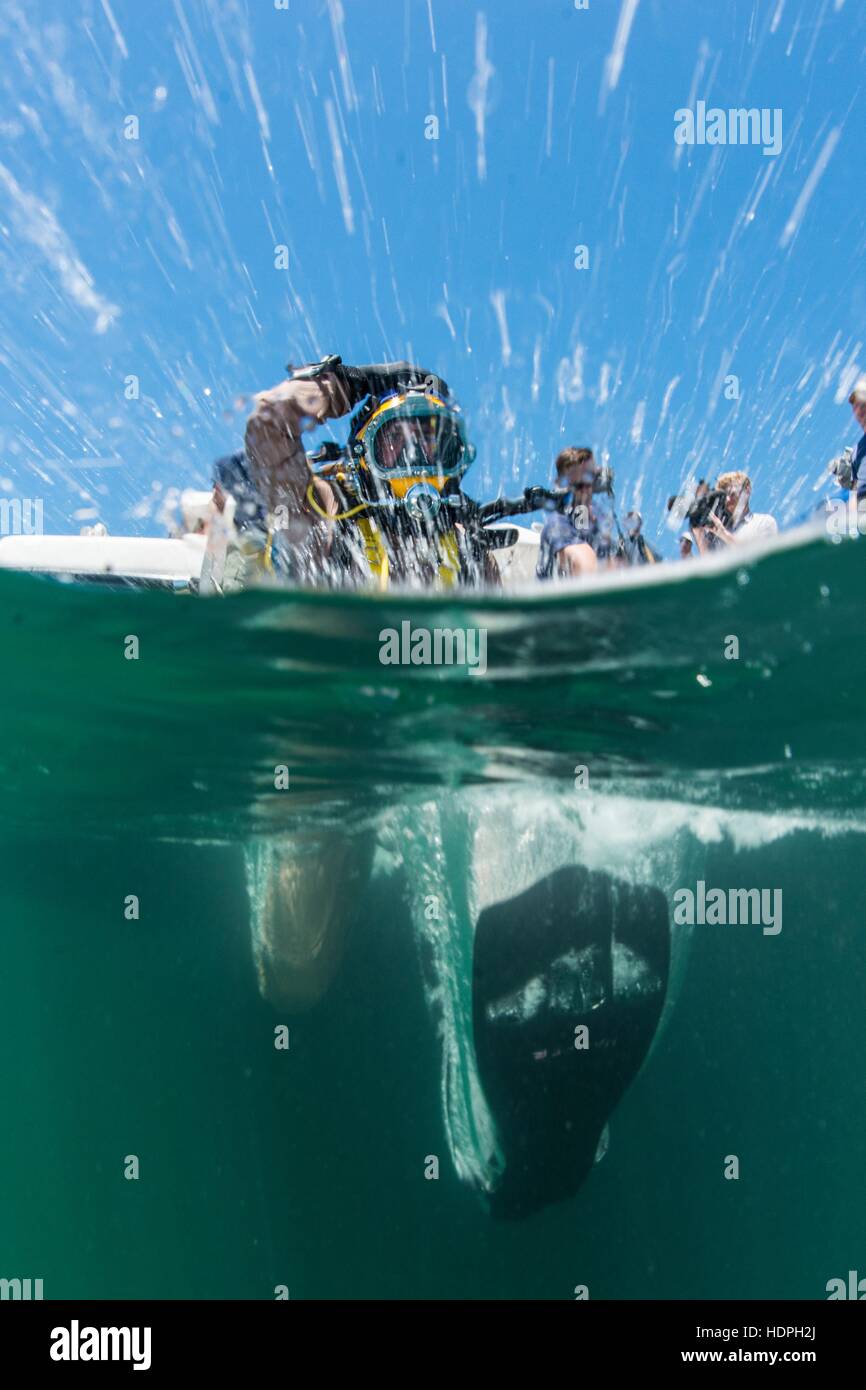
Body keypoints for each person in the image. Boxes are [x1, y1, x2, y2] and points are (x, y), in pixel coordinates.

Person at [203, 357, 498, 592]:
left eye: (428, 441)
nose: (413, 455)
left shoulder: (468, 545)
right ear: (365, 454)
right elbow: (268, 422)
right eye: (395, 439)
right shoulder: (323, 508)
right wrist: (343, 385)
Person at [535, 447, 613, 579]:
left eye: (591, 478)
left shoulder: (598, 516)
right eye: (579, 484)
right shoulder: (557, 526)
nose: (586, 489)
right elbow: (588, 569)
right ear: (561, 487)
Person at [691, 469, 778, 553]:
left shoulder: (764, 522)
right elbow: (709, 564)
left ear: (747, 490)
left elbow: (763, 558)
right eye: (724, 496)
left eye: (732, 494)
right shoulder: (715, 533)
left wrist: (724, 534)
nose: (727, 500)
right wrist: (698, 532)